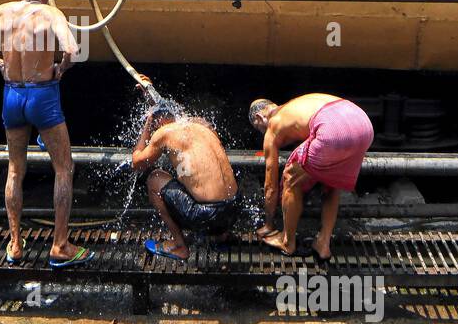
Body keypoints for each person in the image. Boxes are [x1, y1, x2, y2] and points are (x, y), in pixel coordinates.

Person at [0, 0, 91, 268]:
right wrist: (61, 67)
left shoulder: (3, 11)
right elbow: (72, 49)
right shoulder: (50, 13)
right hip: (43, 95)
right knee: (64, 169)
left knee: (15, 169)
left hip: (12, 94)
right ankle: (60, 245)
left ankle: (16, 243)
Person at [249, 94, 374, 264]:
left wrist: (269, 224)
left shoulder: (273, 124)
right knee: (332, 183)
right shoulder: (295, 104)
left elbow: (270, 185)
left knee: (289, 178)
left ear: (259, 117)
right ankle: (323, 243)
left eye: (259, 128)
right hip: (363, 123)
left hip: (332, 129)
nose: (262, 133)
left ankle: (287, 241)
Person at [130, 101, 240, 261]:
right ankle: (221, 237)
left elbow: (137, 163)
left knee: (155, 178)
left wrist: (147, 126)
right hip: (234, 209)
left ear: (158, 122)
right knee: (198, 177)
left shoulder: (164, 132)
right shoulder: (202, 127)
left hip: (208, 216)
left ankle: (179, 246)